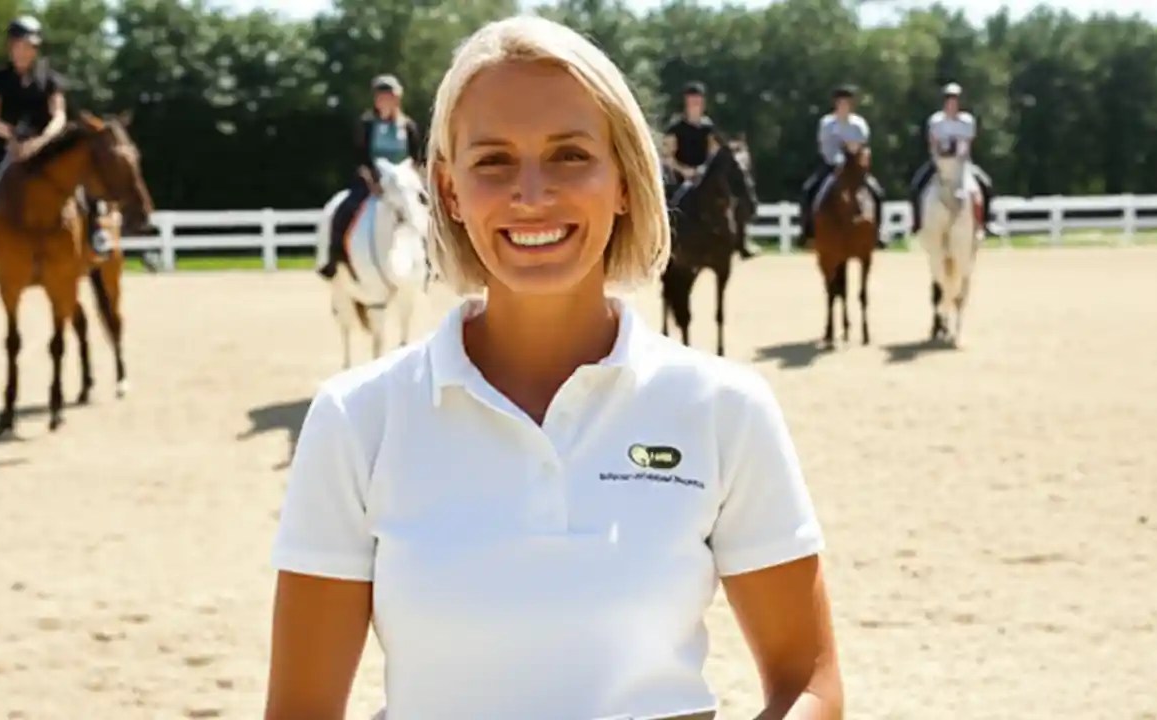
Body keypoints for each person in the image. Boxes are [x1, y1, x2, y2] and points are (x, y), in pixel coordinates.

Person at [267, 15, 841, 720]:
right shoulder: (355, 420)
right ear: (448, 190)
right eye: (493, 161)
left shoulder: (725, 408)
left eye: (570, 155)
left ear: (628, 179)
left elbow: (807, 680)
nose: (531, 193)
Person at [0, 16, 111, 270]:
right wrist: (13, 139)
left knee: (83, 174)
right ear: (11, 45)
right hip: (9, 145)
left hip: (48, 145)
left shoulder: (50, 78)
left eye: (31, 45)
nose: (27, 49)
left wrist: (41, 141)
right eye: (22, 44)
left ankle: (96, 232)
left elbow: (59, 115)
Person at [317, 74, 425, 279]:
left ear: (396, 99)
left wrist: (415, 179)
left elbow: (417, 157)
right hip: (373, 181)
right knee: (345, 208)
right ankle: (334, 256)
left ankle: (432, 259)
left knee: (427, 209)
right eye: (381, 96)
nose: (385, 100)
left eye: (389, 96)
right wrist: (373, 182)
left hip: (404, 181)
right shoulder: (367, 124)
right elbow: (359, 157)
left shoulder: (407, 126)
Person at [662, 81, 754, 258]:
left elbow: (714, 151)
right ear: (686, 102)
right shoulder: (676, 127)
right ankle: (663, 242)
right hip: (681, 176)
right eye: (692, 100)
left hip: (703, 175)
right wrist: (685, 170)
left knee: (731, 199)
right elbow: (667, 157)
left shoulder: (708, 127)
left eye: (698, 100)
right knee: (670, 203)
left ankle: (740, 240)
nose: (695, 103)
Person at [798, 85, 886, 249]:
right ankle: (807, 231)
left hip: (855, 170)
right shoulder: (826, 124)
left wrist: (855, 157)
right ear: (836, 104)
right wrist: (840, 159)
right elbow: (825, 148)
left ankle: (878, 232)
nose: (844, 106)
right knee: (808, 190)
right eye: (841, 102)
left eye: (847, 102)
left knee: (877, 192)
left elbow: (862, 147)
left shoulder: (859, 124)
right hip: (831, 166)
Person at [909, 82, 1000, 237]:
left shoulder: (967, 121)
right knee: (916, 186)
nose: (952, 103)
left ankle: (986, 222)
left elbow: (967, 144)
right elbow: (933, 143)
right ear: (944, 102)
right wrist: (940, 156)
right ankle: (917, 223)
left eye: (955, 100)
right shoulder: (935, 121)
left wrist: (958, 155)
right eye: (949, 99)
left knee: (986, 184)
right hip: (939, 163)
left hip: (962, 163)